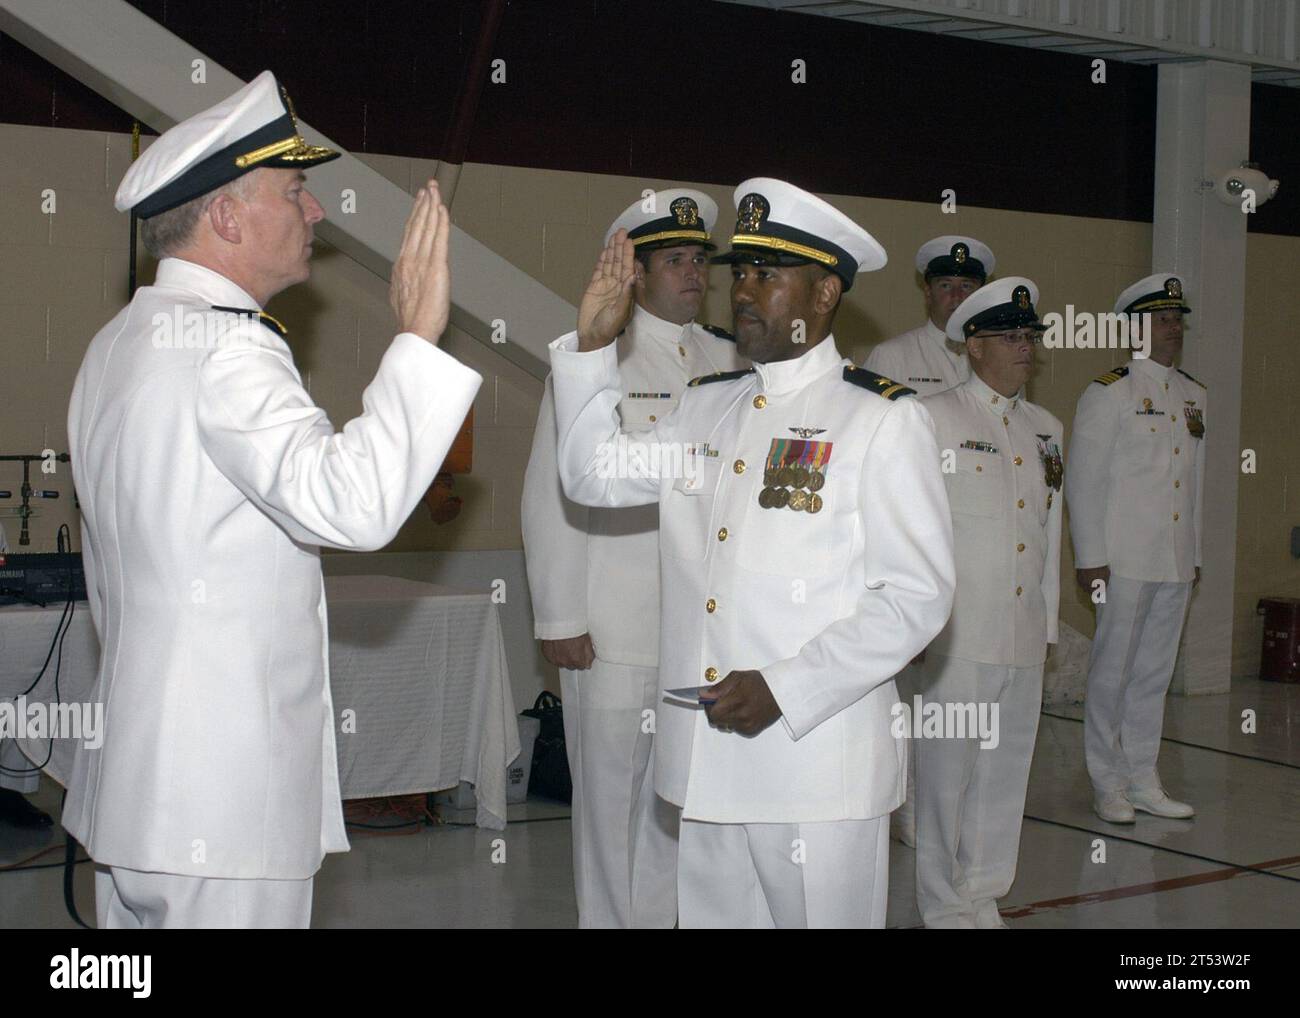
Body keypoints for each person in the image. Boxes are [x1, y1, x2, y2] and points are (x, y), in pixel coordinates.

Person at [64, 71, 481, 928]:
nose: (316, 212)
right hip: (221, 807)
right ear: (226, 217)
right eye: (295, 190)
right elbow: (354, 504)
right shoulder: (229, 350)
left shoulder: (115, 345)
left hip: (130, 796)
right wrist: (417, 341)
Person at [548, 178, 955, 928]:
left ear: (825, 292)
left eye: (769, 275)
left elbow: (915, 598)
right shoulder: (707, 405)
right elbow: (588, 475)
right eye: (741, 272)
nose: (744, 291)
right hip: (706, 764)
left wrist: (786, 687)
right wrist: (592, 351)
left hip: (816, 768)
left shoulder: (879, 420)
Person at [522, 189, 744, 928]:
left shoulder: (727, 360)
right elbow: (553, 491)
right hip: (611, 626)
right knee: (611, 806)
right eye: (674, 260)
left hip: (694, 630)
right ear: (639, 274)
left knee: (673, 800)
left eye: (699, 260)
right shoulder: (596, 350)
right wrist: (559, 614)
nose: (691, 273)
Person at [914, 277, 1062, 928]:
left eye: (1030, 335)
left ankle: (983, 894)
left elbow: (1048, 534)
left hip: (1022, 634)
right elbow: (914, 530)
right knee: (946, 780)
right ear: (974, 347)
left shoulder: (1046, 429)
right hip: (957, 638)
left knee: (1005, 776)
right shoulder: (934, 417)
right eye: (1011, 336)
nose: (1025, 346)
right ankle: (944, 906)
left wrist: (1048, 625)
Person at [864, 234, 994, 848]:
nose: (957, 296)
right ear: (928, 291)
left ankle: (955, 805)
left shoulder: (991, 354)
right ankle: (904, 803)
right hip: (910, 542)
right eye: (947, 286)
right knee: (908, 685)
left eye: (968, 288)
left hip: (974, 547)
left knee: (960, 695)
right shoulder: (892, 356)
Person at [1065, 273, 1203, 823]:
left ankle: (1143, 776)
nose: (1173, 330)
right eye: (1161, 320)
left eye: (1177, 320)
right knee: (1112, 670)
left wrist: (1193, 553)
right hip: (1120, 560)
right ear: (1134, 329)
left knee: (1153, 673)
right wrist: (1089, 558)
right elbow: (1084, 480)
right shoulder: (1109, 392)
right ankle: (1107, 780)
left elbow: (1195, 484)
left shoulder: (1195, 395)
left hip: (1172, 558)